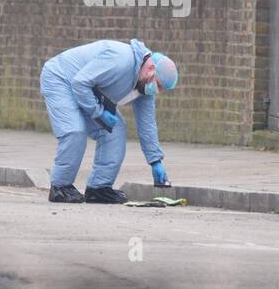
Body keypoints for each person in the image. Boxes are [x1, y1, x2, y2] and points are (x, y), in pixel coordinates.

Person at [39, 39, 178, 204]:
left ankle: (99, 189)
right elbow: (80, 82)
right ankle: (60, 187)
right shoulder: (120, 60)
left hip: (86, 90)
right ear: (151, 69)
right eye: (159, 86)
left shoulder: (144, 86)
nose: (158, 91)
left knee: (115, 130)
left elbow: (147, 124)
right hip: (60, 79)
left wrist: (156, 161)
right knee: (74, 131)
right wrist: (98, 112)